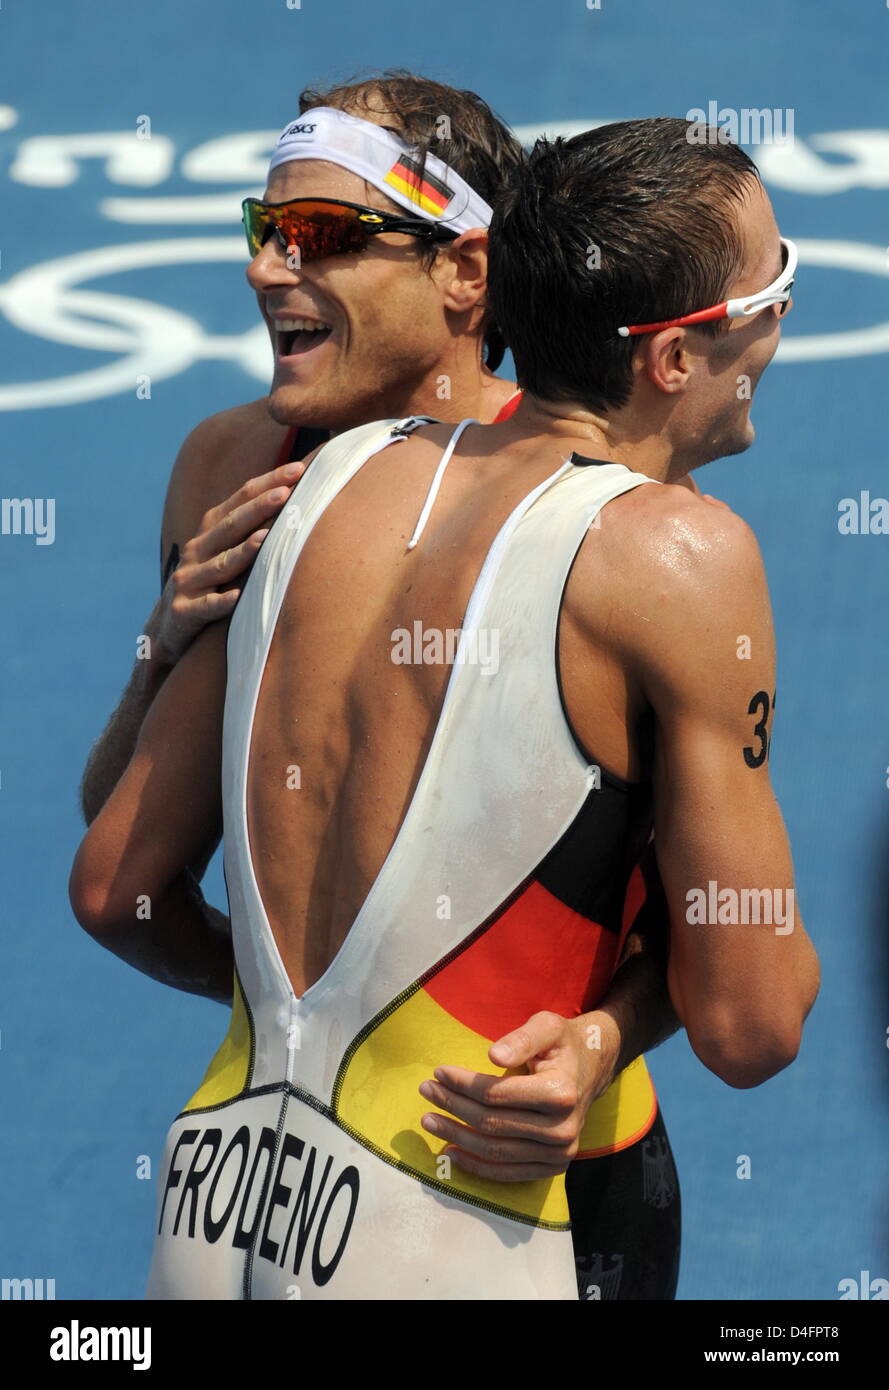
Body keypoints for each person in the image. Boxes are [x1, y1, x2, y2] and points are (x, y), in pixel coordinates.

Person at [69, 82, 710, 1299]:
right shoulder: (231, 465)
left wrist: (596, 1035)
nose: (268, 268)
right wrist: (163, 642)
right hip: (450, 1182)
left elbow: (705, 915)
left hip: (481, 1168)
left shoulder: (602, 505)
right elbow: (121, 846)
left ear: (465, 275)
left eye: (318, 237)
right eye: (264, 227)